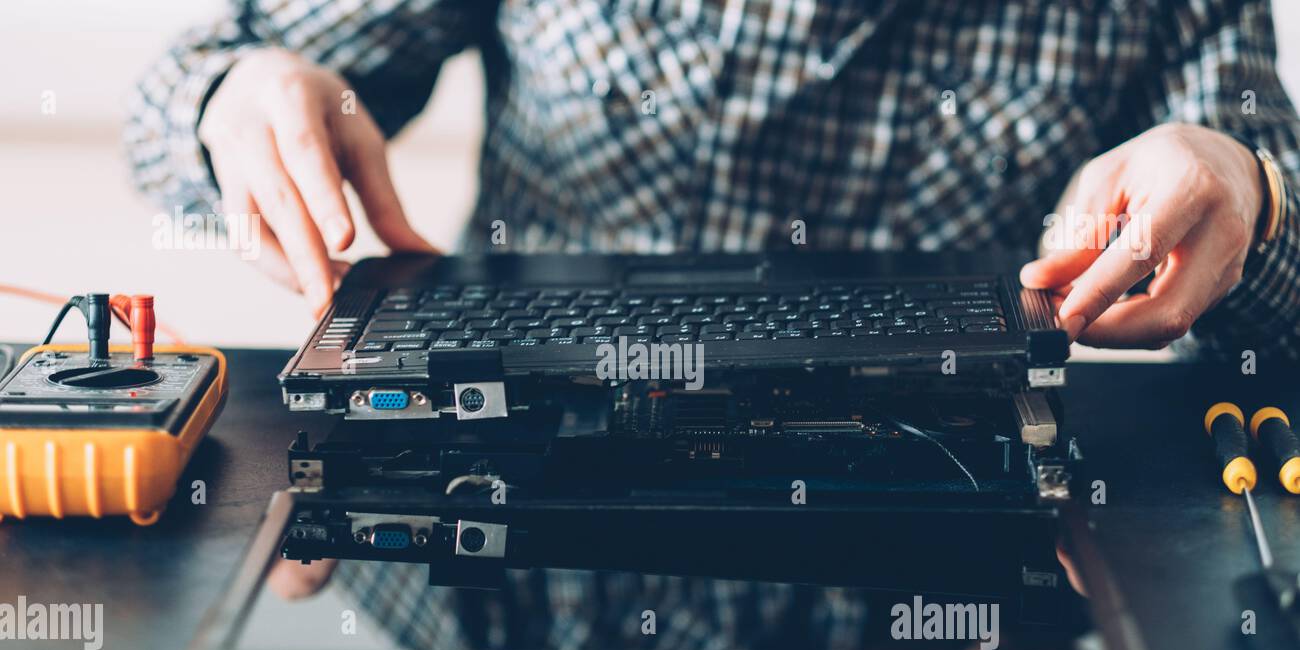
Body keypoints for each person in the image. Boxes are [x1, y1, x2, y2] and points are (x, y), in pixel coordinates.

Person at [125, 0, 1300, 357]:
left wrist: (1249, 187)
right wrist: (235, 101)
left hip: (960, 536)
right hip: (524, 509)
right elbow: (190, 91)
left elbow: (1274, 216)